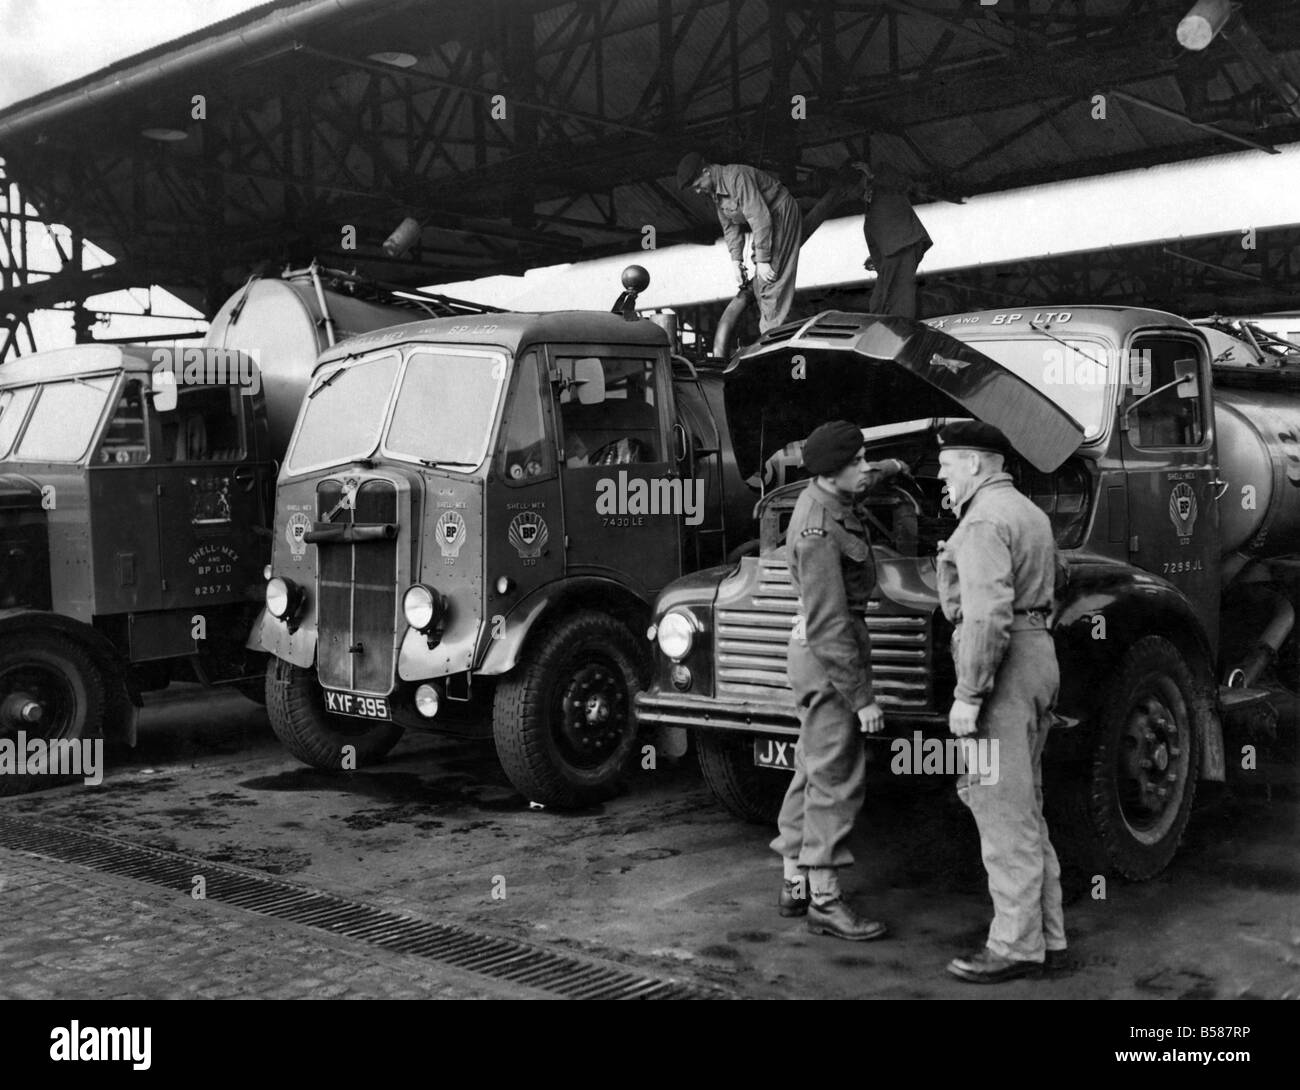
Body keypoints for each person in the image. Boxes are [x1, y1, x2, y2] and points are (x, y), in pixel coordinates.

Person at [934, 421, 1069, 983]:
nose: (940, 474)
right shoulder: (1028, 512)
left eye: (946, 465)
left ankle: (1014, 944)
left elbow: (987, 614)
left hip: (1003, 668)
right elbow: (1058, 579)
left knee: (1001, 812)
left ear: (973, 463)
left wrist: (969, 693)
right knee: (1026, 807)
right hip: (1037, 654)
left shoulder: (984, 522)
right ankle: (1047, 936)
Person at [771, 420, 908, 940]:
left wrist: (898, 467)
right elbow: (829, 624)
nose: (865, 468)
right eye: (858, 462)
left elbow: (869, 477)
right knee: (835, 778)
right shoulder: (818, 530)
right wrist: (863, 698)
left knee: (810, 767)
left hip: (817, 654)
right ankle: (825, 899)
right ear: (833, 473)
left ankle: (794, 883)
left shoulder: (830, 492)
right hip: (830, 660)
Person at [676, 151, 802, 332]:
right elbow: (730, 228)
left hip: (779, 214)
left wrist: (764, 260)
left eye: (697, 185)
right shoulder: (714, 191)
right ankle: (774, 331)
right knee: (760, 285)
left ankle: (770, 339)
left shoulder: (736, 177)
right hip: (767, 222)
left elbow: (759, 217)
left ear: (706, 171)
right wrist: (736, 262)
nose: (697, 191)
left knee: (770, 280)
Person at [852, 160, 931, 319]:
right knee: (880, 302)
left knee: (897, 300)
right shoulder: (870, 204)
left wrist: (872, 176)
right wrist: (876, 257)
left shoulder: (885, 181)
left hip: (902, 246)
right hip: (890, 252)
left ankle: (899, 328)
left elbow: (903, 183)